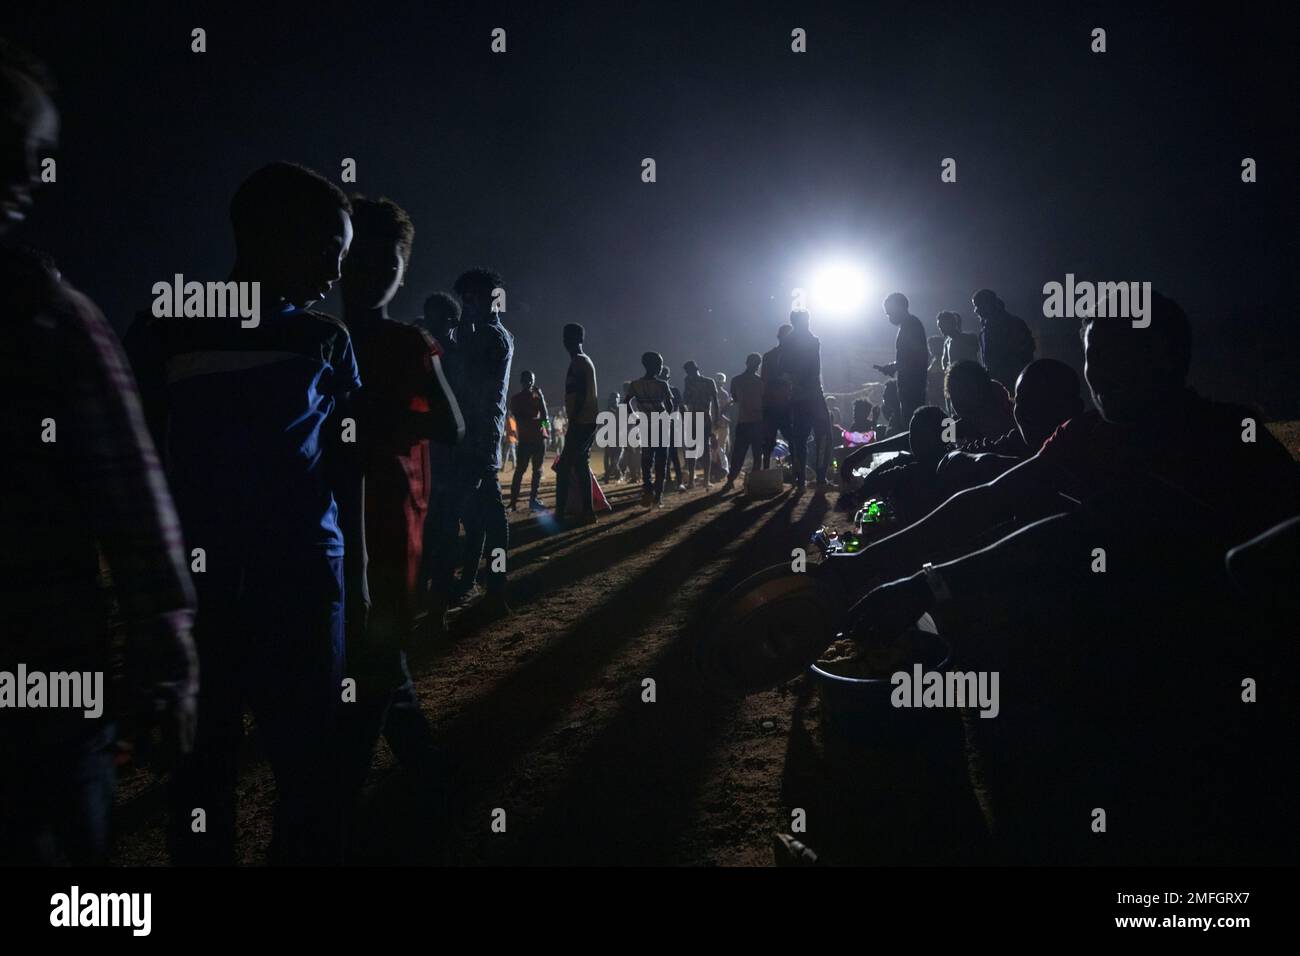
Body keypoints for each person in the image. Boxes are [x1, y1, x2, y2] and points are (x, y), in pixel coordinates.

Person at [127, 162, 360, 865]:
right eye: (326, 248)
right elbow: (139, 466)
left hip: (307, 587)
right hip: (204, 597)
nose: (334, 271)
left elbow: (347, 478)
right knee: (203, 780)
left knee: (309, 773)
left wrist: (364, 587)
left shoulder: (325, 340)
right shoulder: (166, 326)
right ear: (263, 236)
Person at [0, 41, 197, 865]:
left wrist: (164, 667)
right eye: (7, 135)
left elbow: (133, 503)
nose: (23, 167)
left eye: (36, 153)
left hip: (41, 707)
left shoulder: (51, 318)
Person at [337, 196, 463, 844]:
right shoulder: (321, 338)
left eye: (391, 260)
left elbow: (450, 423)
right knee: (379, 664)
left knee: (376, 656)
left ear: (403, 271)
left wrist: (376, 430)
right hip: (333, 531)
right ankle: (434, 781)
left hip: (390, 526)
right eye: (364, 255)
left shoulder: (409, 343)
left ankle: (331, 811)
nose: (377, 269)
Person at [431, 267, 514, 621]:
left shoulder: (492, 337)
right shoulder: (480, 333)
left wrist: (450, 335)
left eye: (472, 299)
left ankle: (485, 590)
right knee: (478, 520)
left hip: (477, 443)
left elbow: (465, 377)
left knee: (474, 520)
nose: (469, 306)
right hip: (465, 441)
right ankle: (475, 586)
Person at [555, 322, 599, 522]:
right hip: (587, 420)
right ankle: (588, 511)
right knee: (581, 464)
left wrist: (573, 419)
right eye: (565, 337)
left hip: (581, 421)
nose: (566, 341)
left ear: (580, 339)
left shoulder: (579, 362)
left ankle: (559, 513)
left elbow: (580, 392)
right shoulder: (583, 361)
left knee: (563, 467)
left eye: (570, 337)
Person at [783, 310, 831, 490]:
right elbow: (814, 369)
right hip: (812, 394)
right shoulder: (811, 340)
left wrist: (794, 379)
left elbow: (783, 367)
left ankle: (801, 479)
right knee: (823, 435)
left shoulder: (789, 342)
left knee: (799, 439)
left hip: (798, 396)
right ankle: (819, 477)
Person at [626, 352, 674, 508]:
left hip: (645, 426)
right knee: (661, 461)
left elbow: (626, 403)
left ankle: (647, 489)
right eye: (660, 364)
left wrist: (636, 417)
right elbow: (670, 406)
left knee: (646, 459)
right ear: (655, 366)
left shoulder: (635, 385)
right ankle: (658, 496)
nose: (661, 367)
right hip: (661, 427)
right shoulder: (662, 384)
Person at [874, 292, 929, 426]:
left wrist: (893, 367)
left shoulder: (911, 325)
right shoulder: (908, 325)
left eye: (890, 313)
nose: (889, 317)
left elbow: (913, 357)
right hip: (910, 383)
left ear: (899, 307)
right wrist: (893, 367)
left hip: (912, 384)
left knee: (913, 423)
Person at [972, 288, 1034, 391]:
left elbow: (1027, 349)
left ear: (988, 304)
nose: (976, 310)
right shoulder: (985, 330)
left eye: (978, 305)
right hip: (998, 382)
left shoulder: (1013, 324)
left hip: (1015, 381)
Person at [945, 360, 1015, 447]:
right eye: (954, 393)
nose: (958, 399)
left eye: (965, 390)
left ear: (981, 389)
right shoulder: (961, 426)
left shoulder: (1003, 421)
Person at [723, 352, 766, 492]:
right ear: (758, 366)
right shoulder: (760, 382)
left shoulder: (736, 380)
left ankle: (730, 480)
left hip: (743, 421)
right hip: (757, 422)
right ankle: (754, 482)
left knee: (738, 454)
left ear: (746, 362)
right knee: (757, 454)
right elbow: (764, 402)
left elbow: (735, 399)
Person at [508, 370, 548, 511]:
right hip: (528, 440)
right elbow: (544, 417)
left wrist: (544, 431)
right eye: (527, 379)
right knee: (521, 471)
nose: (529, 382)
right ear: (522, 381)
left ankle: (529, 500)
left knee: (534, 471)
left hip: (535, 439)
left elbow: (545, 419)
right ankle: (515, 501)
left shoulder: (532, 398)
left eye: (531, 379)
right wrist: (542, 426)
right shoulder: (521, 399)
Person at [683, 360, 720, 489]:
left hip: (700, 416)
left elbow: (715, 402)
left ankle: (702, 480)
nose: (689, 373)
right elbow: (686, 400)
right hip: (698, 416)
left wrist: (716, 419)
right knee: (697, 447)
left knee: (701, 447)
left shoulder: (707, 382)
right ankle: (698, 480)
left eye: (690, 371)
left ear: (696, 368)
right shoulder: (706, 382)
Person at [760, 323, 793, 469]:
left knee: (772, 440)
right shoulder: (794, 357)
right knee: (774, 440)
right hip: (779, 404)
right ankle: (795, 474)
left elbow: (765, 380)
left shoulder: (769, 356)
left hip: (780, 405)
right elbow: (765, 380)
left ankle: (794, 472)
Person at [658, 364, 686, 491]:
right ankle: (674, 479)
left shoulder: (664, 390)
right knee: (670, 454)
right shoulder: (673, 390)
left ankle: (671, 479)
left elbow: (681, 408)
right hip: (669, 424)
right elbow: (681, 408)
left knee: (668, 454)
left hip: (667, 425)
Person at [602, 390, 623, 482]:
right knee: (614, 458)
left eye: (617, 398)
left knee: (613, 458)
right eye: (615, 398)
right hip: (613, 438)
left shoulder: (618, 410)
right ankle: (615, 475)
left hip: (615, 438)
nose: (616, 400)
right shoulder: (612, 410)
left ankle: (612, 475)